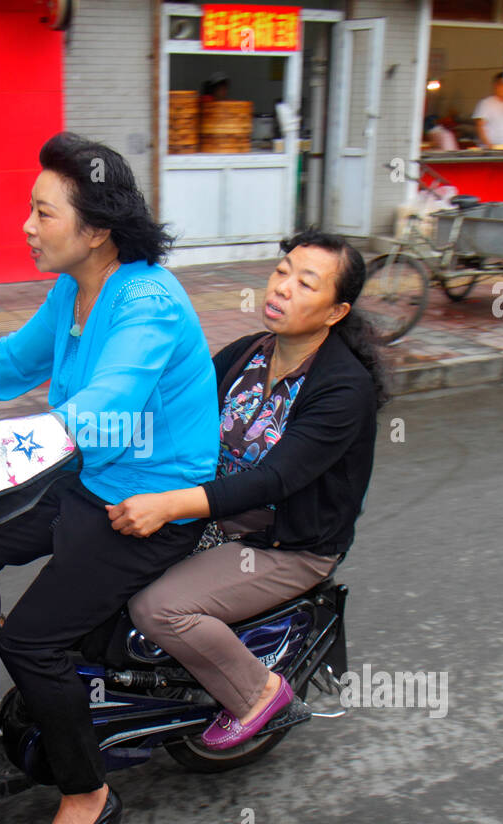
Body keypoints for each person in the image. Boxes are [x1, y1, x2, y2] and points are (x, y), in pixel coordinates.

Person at [0, 132, 219, 824]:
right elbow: (9, 364)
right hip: (86, 477)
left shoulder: (149, 302)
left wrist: (3, 452)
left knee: (30, 639)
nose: (26, 226)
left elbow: (107, 403)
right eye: (28, 209)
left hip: (146, 502)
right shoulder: (74, 289)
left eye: (42, 213)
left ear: (96, 229)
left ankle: (87, 795)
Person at [108, 229, 387, 750]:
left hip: (286, 545)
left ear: (335, 312)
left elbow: (275, 479)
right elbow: (176, 411)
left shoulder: (344, 389)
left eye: (306, 284)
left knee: (158, 608)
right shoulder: (247, 355)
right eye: (282, 271)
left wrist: (168, 505)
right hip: (213, 518)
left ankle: (258, 694)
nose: (282, 287)